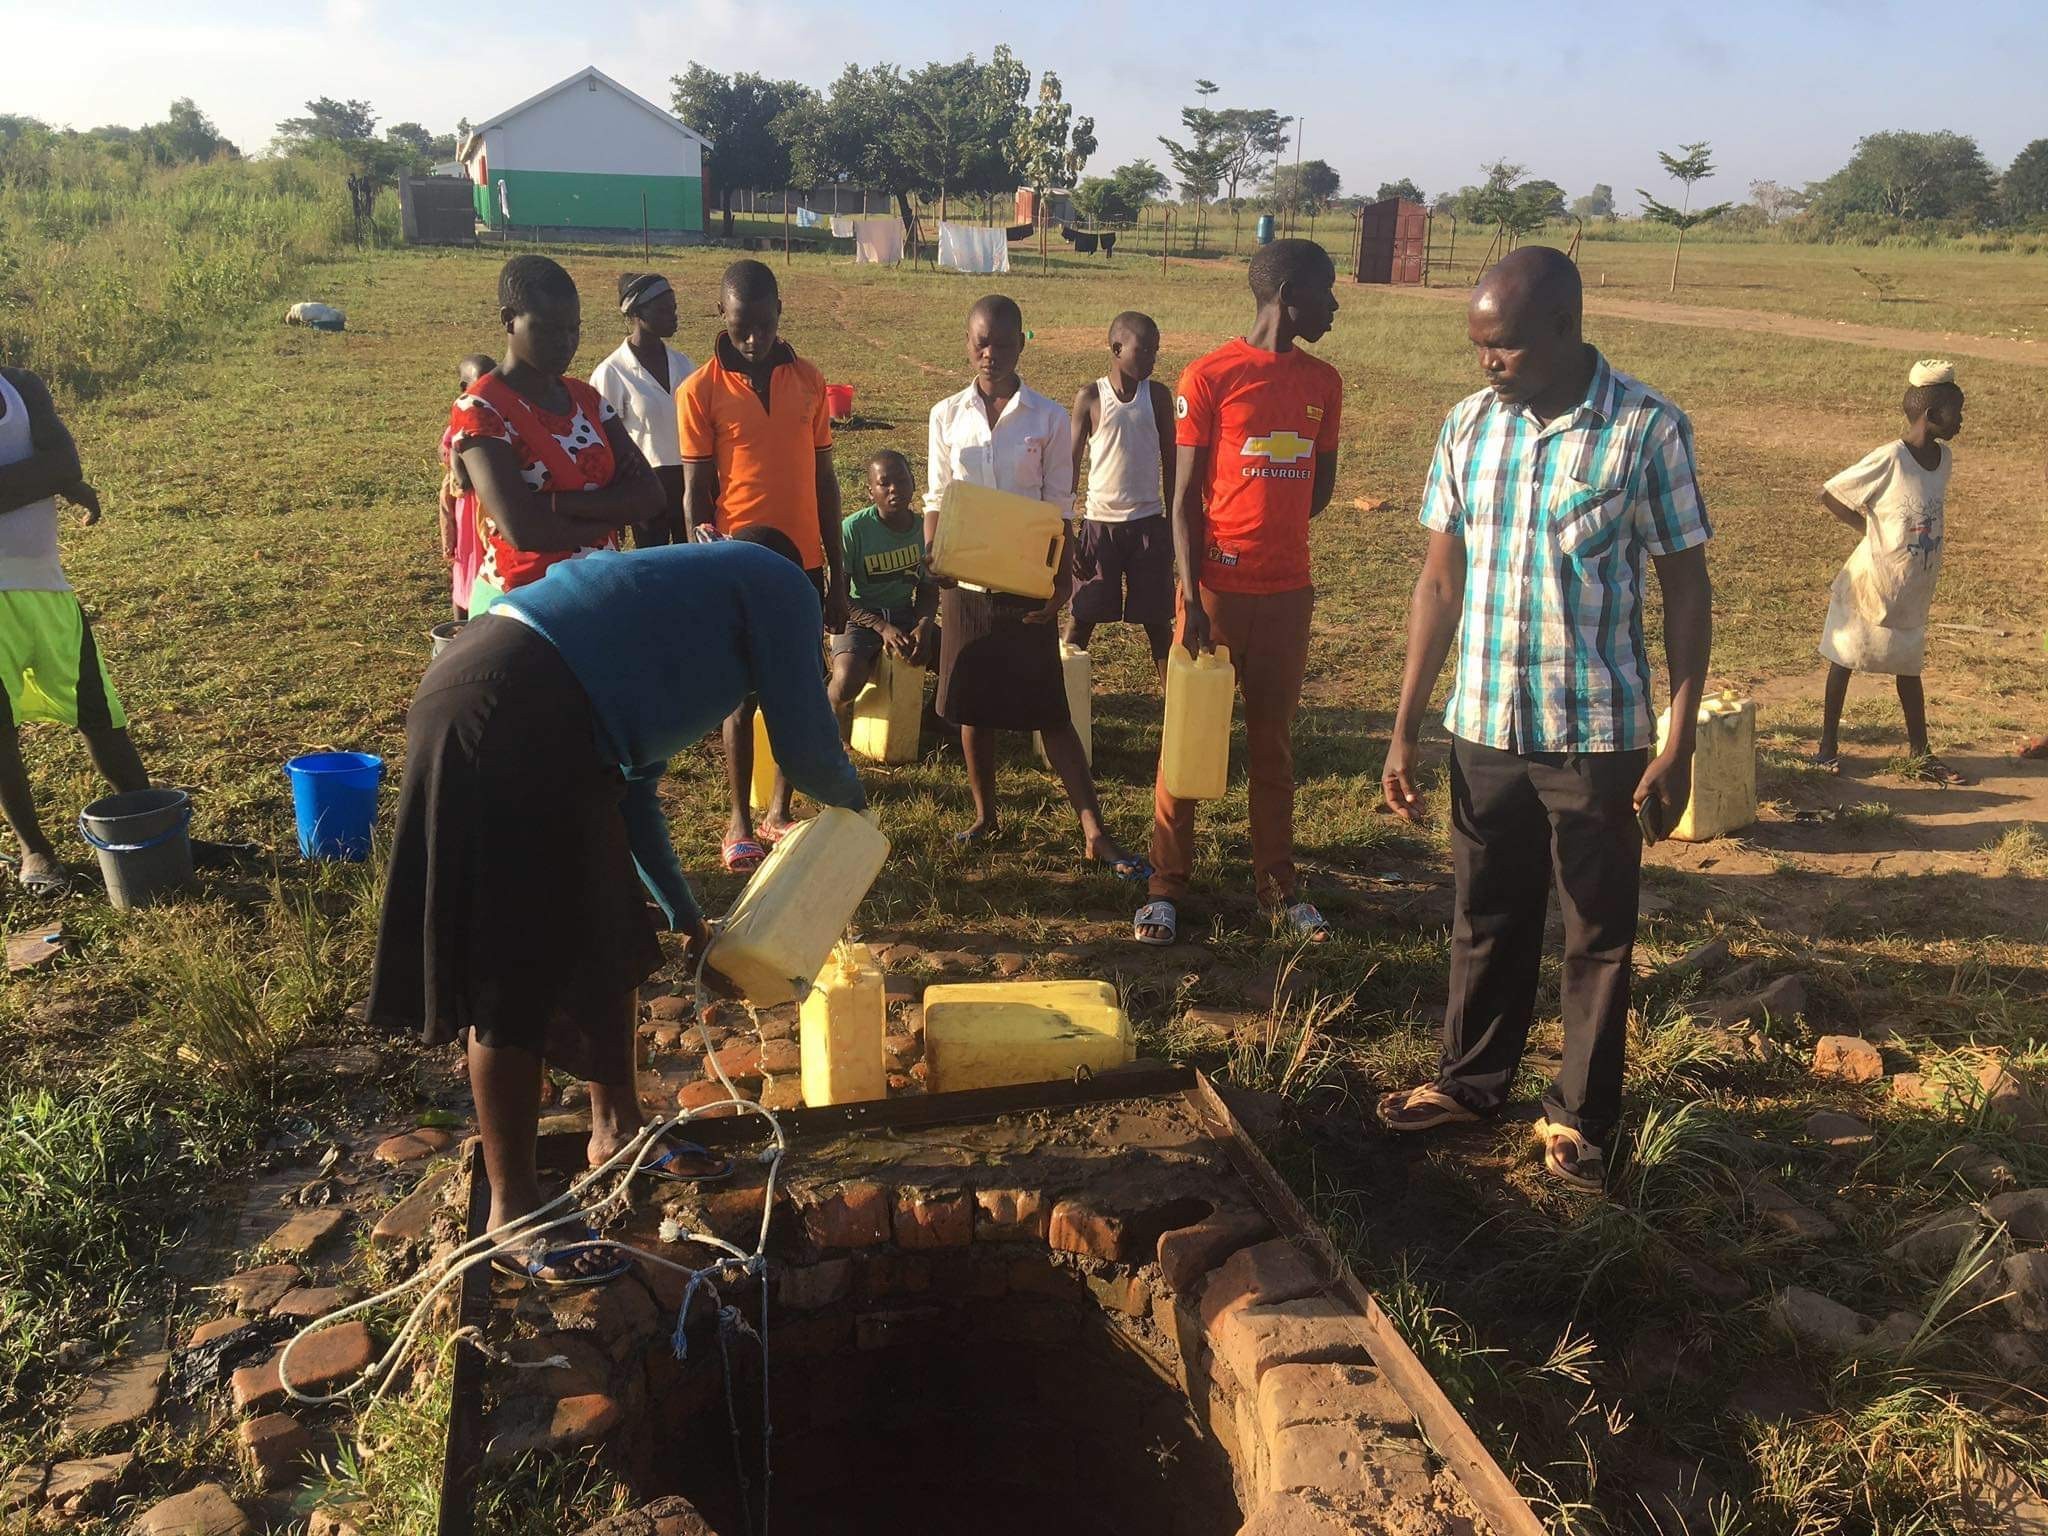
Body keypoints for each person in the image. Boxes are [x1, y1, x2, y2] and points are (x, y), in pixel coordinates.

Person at [368, 540, 865, 1284]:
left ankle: (619, 1132)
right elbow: (806, 744)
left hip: (522, 697)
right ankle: (515, 1209)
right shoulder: (781, 586)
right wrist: (860, 820)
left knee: (614, 931)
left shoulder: (662, 629)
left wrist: (687, 920)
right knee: (514, 965)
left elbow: (634, 798)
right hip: (506, 706)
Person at [1375, 247, 1713, 1194]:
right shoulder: (1467, 428)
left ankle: (1577, 1119)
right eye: (1479, 346)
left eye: (1506, 347)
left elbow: (1687, 589)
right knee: (1485, 912)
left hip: (1597, 732)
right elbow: (1439, 582)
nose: (1487, 363)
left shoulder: (1646, 430)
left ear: (1565, 330)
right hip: (1484, 720)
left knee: (1596, 932)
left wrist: (1679, 732)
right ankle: (1472, 1084)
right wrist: (1407, 724)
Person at [1133, 242, 1342, 949]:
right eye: (1326, 292)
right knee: (1188, 740)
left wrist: (1271, 531)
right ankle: (1166, 885)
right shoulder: (1210, 376)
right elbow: (1184, 500)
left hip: (1287, 595)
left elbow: (1319, 487)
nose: (1336, 306)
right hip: (1214, 592)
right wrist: (1191, 594)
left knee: (1272, 746)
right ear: (1288, 294)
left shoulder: (1325, 383)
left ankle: (1277, 888)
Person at [925, 293, 1144, 877]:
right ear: (967, 343)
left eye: (1001, 341)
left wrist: (1062, 581)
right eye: (979, 341)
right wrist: (935, 555)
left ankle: (1093, 827)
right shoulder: (946, 415)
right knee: (973, 704)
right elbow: (937, 497)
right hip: (966, 581)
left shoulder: (1046, 417)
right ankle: (985, 814)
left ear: (1023, 342)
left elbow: (1059, 506)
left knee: (1049, 708)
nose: (989, 353)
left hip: (1026, 580)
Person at [0, 367, 239, 895]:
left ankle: (152, 825)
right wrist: (48, 477)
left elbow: (66, 461)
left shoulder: (22, 386)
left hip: (47, 587)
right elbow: (55, 467)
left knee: (100, 713)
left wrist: (59, 475)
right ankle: (34, 849)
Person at [679, 259, 847, 870]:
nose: (754, 338)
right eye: (742, 326)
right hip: (736, 565)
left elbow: (824, 478)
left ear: (781, 312)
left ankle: (780, 811)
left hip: (801, 563)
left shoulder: (810, 381)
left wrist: (836, 567)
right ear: (722, 317)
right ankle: (738, 821)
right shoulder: (698, 391)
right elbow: (696, 494)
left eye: (765, 324)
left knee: (796, 685)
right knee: (738, 694)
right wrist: (698, 569)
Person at [453, 256, 661, 617]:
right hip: (524, 605)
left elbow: (650, 496)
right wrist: (614, 510)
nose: (566, 343)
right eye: (549, 330)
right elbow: (523, 530)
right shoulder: (481, 409)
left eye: (573, 329)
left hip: (597, 593)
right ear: (509, 320)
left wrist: (555, 505)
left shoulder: (587, 399)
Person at [1812, 360, 1967, 784]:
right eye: (1957, 411)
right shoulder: (1891, 458)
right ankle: (1826, 748)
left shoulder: (1944, 459)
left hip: (1911, 586)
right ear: (1932, 414)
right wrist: (1871, 532)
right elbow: (1832, 493)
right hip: (1869, 583)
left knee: (1909, 668)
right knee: (1844, 660)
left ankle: (1921, 753)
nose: (1962, 420)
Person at [1069, 311, 1177, 687]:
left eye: (1156, 351)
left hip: (1149, 526)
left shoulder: (1159, 397)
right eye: (1144, 349)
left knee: (1158, 622)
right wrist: (1067, 533)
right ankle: (1060, 696)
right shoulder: (1090, 398)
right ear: (1116, 349)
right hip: (1100, 528)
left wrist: (1174, 529)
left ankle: (1174, 706)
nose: (1151, 358)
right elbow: (1068, 470)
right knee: (1082, 617)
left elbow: (1172, 466)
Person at [589, 273, 695, 550]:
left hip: (688, 484)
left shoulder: (685, 366)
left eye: (673, 308)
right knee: (653, 566)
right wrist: (614, 504)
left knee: (693, 565)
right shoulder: (612, 373)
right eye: (663, 310)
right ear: (636, 313)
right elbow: (603, 444)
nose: (673, 316)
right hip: (645, 489)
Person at [830, 449, 936, 715]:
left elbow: (927, 588)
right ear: (870, 491)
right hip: (860, 617)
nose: (894, 489)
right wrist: (882, 627)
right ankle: (830, 715)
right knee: (846, 681)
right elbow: (838, 595)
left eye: (901, 480)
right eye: (884, 483)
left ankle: (935, 716)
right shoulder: (853, 529)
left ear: (913, 481)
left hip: (904, 615)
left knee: (956, 658)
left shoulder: (924, 531)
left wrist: (924, 625)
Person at [436, 355, 495, 622]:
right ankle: (461, 627)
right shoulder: (461, 419)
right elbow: (462, 477)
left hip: (490, 507)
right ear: (463, 388)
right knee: (468, 567)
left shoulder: (497, 416)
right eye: (481, 382)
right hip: (471, 509)